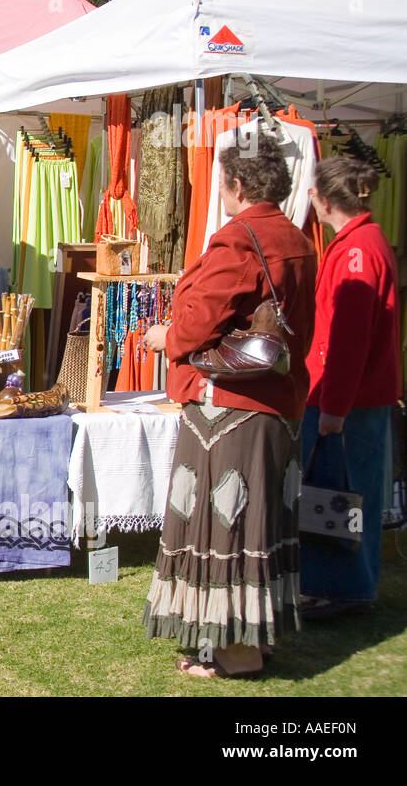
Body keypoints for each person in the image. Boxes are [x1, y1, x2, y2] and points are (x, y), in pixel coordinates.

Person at [141, 132, 316, 678]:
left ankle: (237, 654)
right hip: (273, 407)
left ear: (234, 184)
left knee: (229, 526)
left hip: (232, 406)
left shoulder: (240, 240)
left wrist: (163, 336)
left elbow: (199, 323)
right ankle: (252, 643)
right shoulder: (297, 239)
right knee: (257, 524)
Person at [299, 156, 400, 619]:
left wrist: (334, 407)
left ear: (324, 197)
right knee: (341, 492)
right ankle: (341, 585)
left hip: (349, 401)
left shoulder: (358, 250)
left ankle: (346, 588)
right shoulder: (359, 243)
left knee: (343, 494)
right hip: (349, 397)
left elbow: (350, 339)